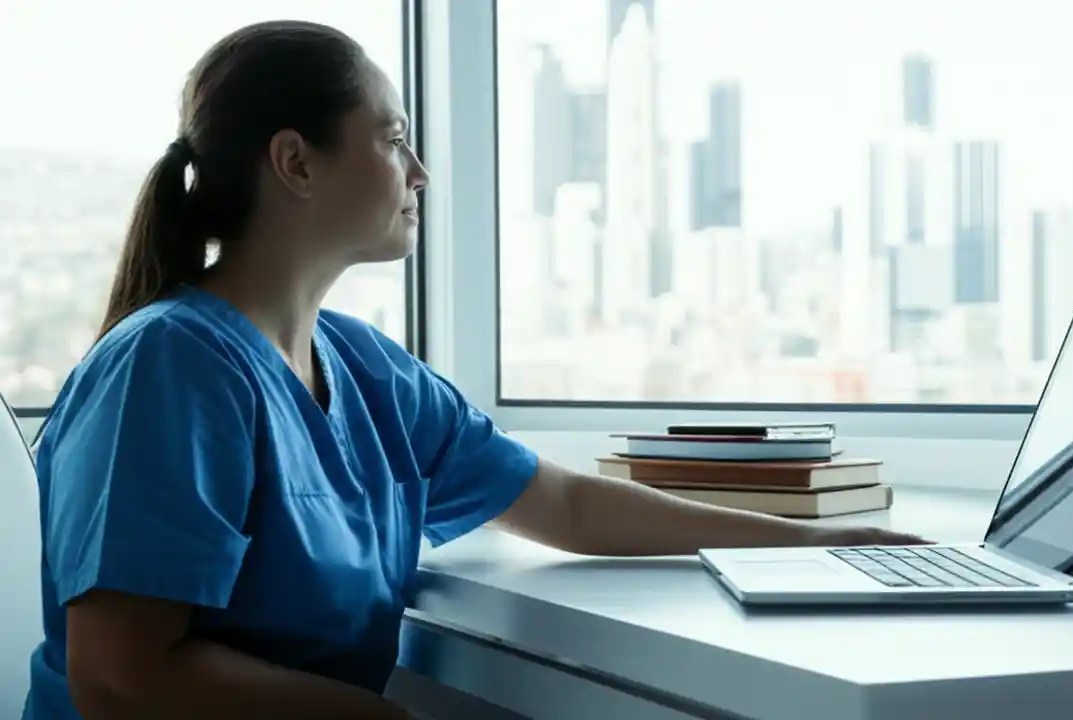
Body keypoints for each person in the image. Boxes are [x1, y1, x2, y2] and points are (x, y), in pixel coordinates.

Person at [22, 20, 925, 720]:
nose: (419, 171)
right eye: (392, 138)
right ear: (296, 162)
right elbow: (122, 684)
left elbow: (564, 505)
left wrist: (821, 546)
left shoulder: (368, 370)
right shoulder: (170, 366)